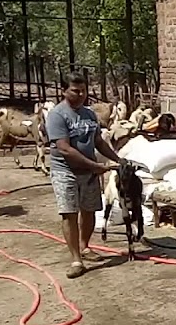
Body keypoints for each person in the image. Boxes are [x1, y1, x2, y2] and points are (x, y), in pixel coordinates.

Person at [47, 72, 123, 279]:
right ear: (64, 91)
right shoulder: (57, 115)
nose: (81, 95)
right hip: (66, 171)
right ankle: (76, 259)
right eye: (75, 91)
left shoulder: (89, 114)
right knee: (69, 213)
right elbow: (64, 149)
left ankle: (85, 246)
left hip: (88, 172)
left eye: (83, 90)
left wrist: (118, 159)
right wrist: (94, 165)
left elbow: (98, 141)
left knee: (89, 210)